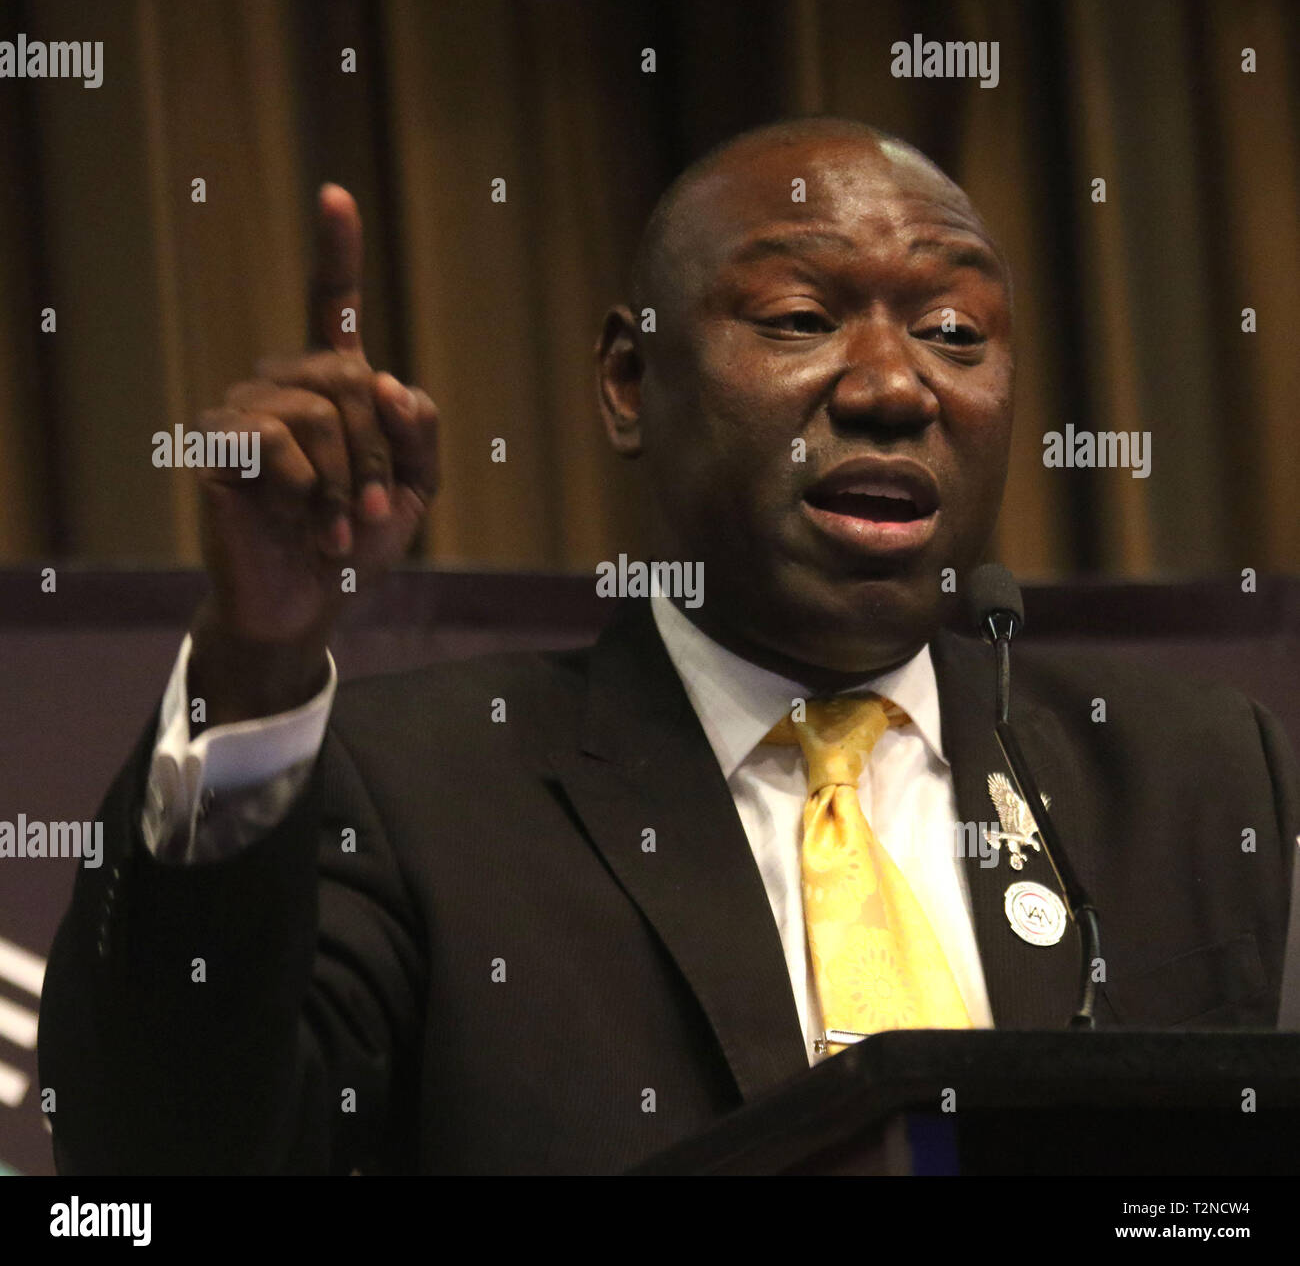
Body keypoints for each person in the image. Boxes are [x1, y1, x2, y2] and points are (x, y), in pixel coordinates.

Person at [38, 116, 1297, 1175]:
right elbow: (166, 1159)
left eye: (954, 333)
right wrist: (254, 659)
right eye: (803, 317)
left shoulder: (1189, 778)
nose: (895, 387)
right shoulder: (420, 793)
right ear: (631, 382)